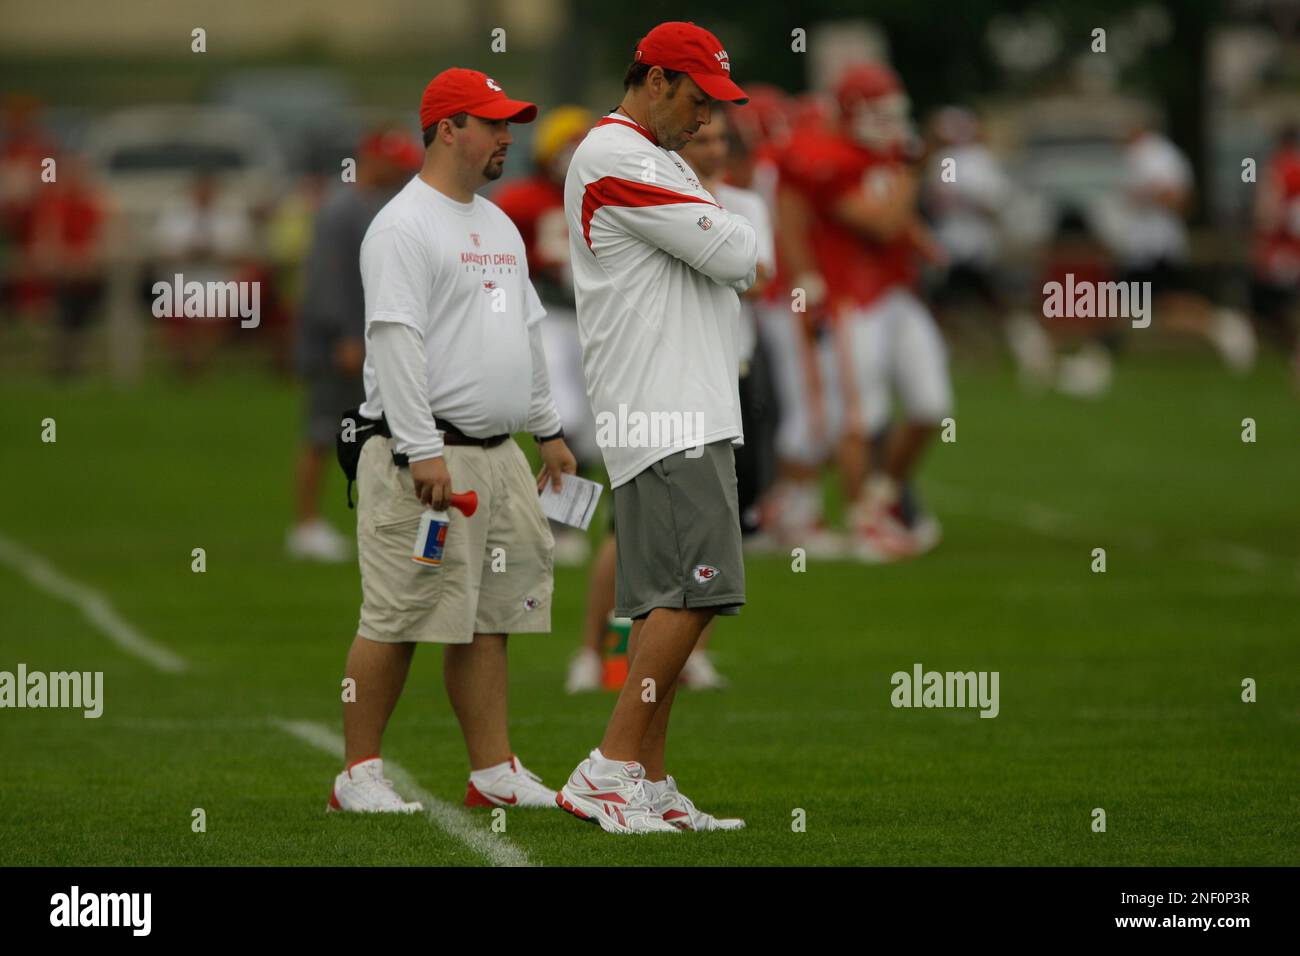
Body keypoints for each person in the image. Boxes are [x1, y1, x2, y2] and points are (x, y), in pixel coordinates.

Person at [328, 68, 577, 813]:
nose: (510, 137)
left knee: (492, 615)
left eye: (511, 125)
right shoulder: (403, 225)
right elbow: (395, 342)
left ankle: (493, 770)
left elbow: (526, 333)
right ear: (446, 130)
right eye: (494, 124)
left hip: (498, 456)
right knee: (397, 615)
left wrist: (550, 430)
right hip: (426, 455)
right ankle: (359, 775)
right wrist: (419, 447)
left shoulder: (497, 222)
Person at [558, 20, 757, 833]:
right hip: (671, 406)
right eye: (699, 97)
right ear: (657, 81)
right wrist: (723, 225)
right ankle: (608, 767)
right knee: (695, 595)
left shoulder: (651, 158)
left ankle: (645, 778)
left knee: (659, 606)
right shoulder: (618, 156)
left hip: (666, 404)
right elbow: (742, 252)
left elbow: (730, 248)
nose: (708, 118)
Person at [778, 62, 950, 562]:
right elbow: (878, 222)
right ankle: (861, 521)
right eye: (879, 113)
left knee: (930, 405)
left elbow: (896, 217)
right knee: (859, 417)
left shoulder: (885, 150)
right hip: (852, 299)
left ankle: (881, 498)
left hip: (897, 293)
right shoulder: (823, 156)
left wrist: (921, 238)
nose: (890, 123)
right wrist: (916, 171)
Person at [287, 129, 421, 562]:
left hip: (364, 340)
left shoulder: (375, 205)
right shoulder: (341, 209)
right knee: (323, 431)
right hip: (338, 344)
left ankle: (378, 520)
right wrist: (344, 335)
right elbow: (328, 280)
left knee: (372, 434)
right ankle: (305, 524)